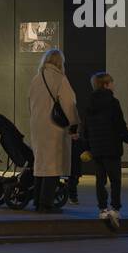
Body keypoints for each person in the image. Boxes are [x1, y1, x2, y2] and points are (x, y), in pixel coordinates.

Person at [81, 72, 128, 230]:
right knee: (115, 180)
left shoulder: (89, 103)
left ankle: (102, 209)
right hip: (112, 148)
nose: (114, 85)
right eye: (112, 82)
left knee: (100, 179)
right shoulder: (113, 102)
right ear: (105, 85)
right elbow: (120, 127)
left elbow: (85, 128)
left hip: (97, 148)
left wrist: (87, 147)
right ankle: (115, 208)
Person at [28, 48, 78, 213]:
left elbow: (30, 103)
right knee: (52, 166)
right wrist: (74, 126)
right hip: (53, 127)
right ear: (59, 62)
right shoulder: (60, 79)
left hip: (36, 125)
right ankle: (46, 204)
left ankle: (37, 201)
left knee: (40, 164)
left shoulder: (36, 79)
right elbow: (69, 105)